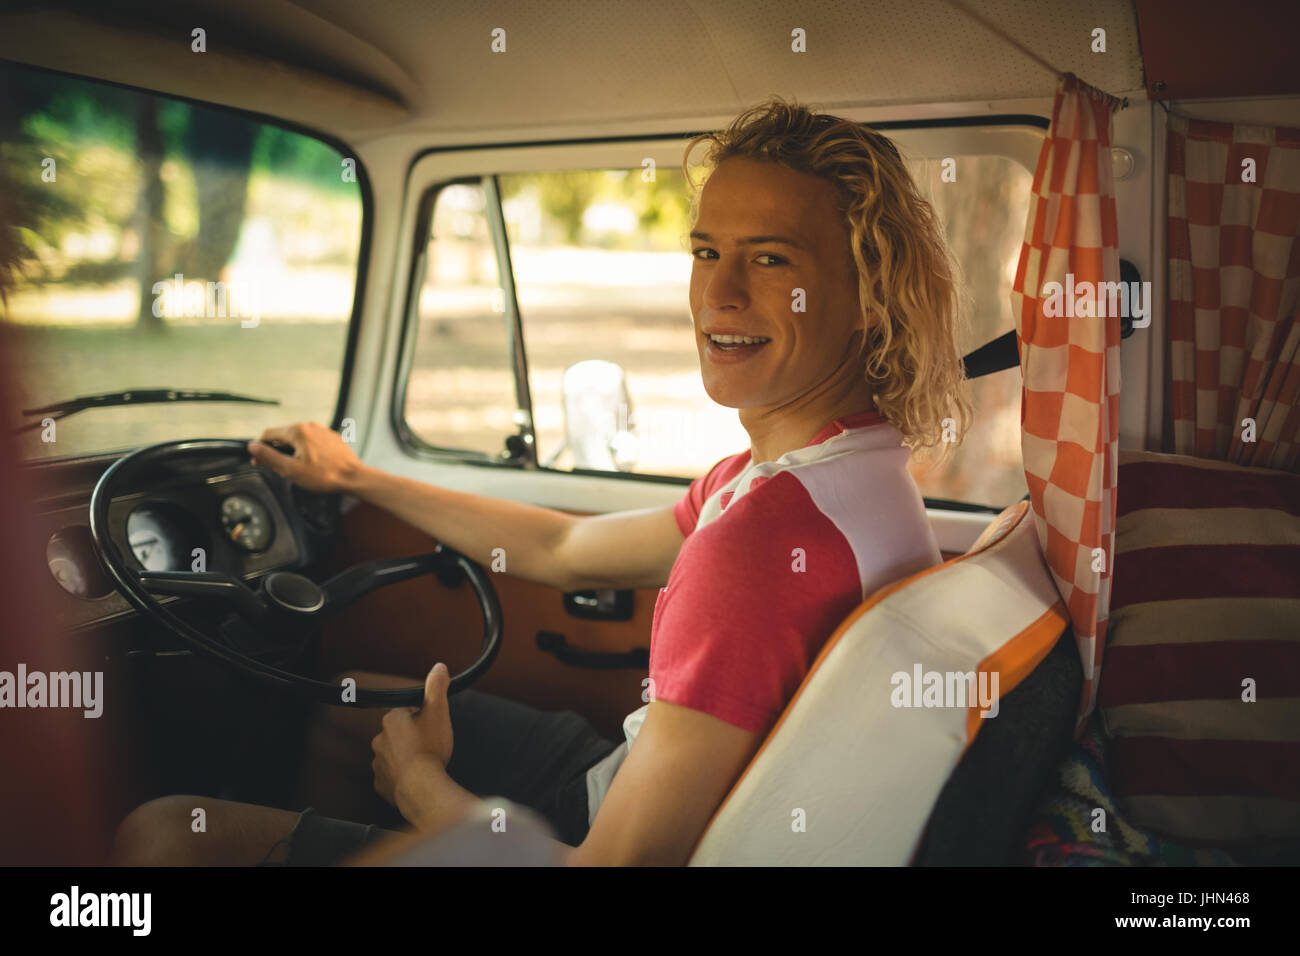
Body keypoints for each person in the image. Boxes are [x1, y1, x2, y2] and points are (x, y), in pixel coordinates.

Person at [111, 96, 971, 867]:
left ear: (870, 295)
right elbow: (566, 547)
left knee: (159, 836)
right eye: (707, 250)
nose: (720, 292)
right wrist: (360, 477)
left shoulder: (760, 545)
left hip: (598, 828)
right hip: (633, 775)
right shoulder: (846, 467)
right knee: (351, 708)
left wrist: (420, 789)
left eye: (772, 259)